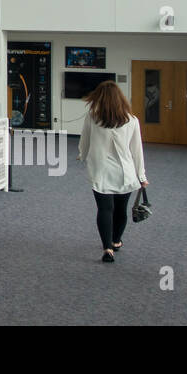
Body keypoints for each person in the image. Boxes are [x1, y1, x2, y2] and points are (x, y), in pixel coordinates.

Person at [77, 80, 148, 263]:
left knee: (104, 209)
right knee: (120, 210)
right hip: (125, 173)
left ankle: (107, 247)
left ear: (99, 98)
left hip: (100, 171)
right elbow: (136, 151)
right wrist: (142, 176)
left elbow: (84, 142)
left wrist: (82, 156)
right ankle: (116, 241)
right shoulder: (132, 120)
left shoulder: (93, 117)